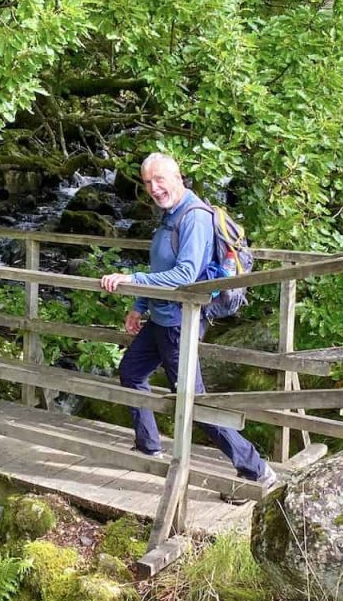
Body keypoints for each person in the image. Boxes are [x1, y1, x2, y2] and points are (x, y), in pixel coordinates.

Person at [100, 152, 277, 490]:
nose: (154, 188)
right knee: (132, 372)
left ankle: (256, 470)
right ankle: (148, 446)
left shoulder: (193, 218)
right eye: (148, 183)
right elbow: (159, 270)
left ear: (178, 177)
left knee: (192, 401)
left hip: (180, 322)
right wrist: (139, 304)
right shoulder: (169, 215)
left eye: (160, 180)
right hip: (162, 318)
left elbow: (185, 275)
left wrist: (129, 278)